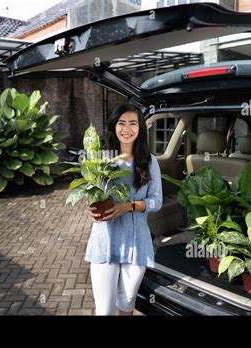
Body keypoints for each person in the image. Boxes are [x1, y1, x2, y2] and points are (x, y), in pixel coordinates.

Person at [84, 104, 163, 316]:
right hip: (105, 240)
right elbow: (92, 194)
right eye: (121, 123)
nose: (127, 128)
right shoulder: (102, 160)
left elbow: (157, 201)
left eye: (133, 123)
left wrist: (128, 206)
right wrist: (92, 207)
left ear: (140, 128)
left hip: (137, 243)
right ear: (114, 126)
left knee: (127, 305)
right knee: (104, 311)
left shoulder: (150, 161)